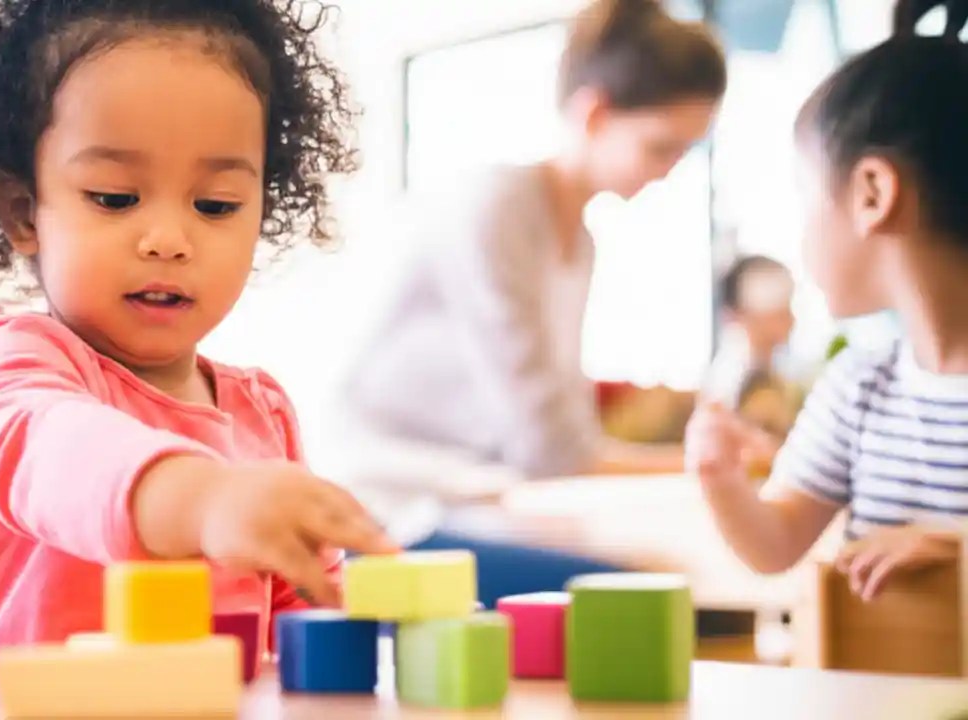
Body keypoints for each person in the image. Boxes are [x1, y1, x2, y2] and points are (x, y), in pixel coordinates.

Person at [0, 0, 395, 682]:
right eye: (113, 197)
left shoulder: (263, 416)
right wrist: (202, 499)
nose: (168, 238)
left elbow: (301, 635)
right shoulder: (2, 371)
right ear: (23, 211)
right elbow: (53, 452)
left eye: (215, 205)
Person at [334, 0, 727, 606]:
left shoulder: (579, 240)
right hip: (388, 511)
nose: (670, 171)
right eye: (660, 146)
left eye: (685, 151)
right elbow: (555, 452)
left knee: (678, 571)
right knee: (652, 586)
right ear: (593, 113)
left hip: (476, 502)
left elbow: (561, 438)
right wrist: (714, 468)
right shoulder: (499, 208)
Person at [687, 0, 968, 603]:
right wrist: (723, 482)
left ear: (872, 192)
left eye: (803, 194)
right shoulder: (858, 388)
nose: (799, 232)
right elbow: (776, 543)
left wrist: (956, 547)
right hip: (871, 693)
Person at [704, 255, 805, 438]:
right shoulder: (730, 379)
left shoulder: (774, 370)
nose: (792, 320)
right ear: (746, 315)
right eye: (781, 312)